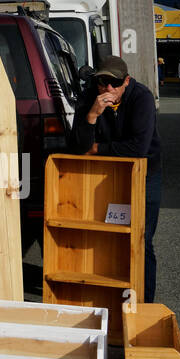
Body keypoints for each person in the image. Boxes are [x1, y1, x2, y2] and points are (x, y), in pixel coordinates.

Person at [70, 56, 162, 302]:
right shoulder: (90, 96)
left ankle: (143, 303)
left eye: (115, 83)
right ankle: (106, 299)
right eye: (103, 83)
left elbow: (138, 148)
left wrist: (96, 149)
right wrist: (92, 115)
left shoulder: (141, 98)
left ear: (127, 81)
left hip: (144, 174)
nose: (108, 89)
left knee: (141, 240)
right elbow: (78, 145)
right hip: (105, 176)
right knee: (105, 236)